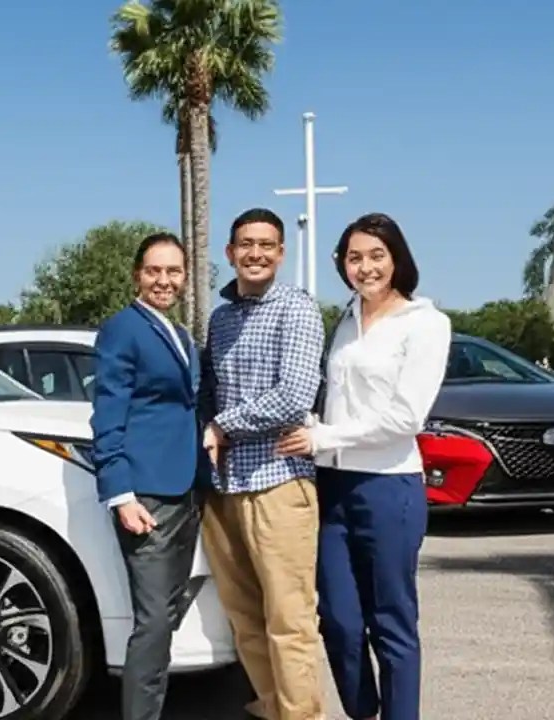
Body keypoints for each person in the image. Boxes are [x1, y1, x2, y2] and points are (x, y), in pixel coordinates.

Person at [275, 212, 449, 720]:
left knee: (391, 621)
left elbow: (406, 417)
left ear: (397, 260)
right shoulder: (346, 320)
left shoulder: (425, 323)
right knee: (338, 619)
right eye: (355, 258)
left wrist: (322, 437)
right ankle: (362, 709)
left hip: (389, 488)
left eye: (377, 256)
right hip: (333, 485)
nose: (366, 267)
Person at [197, 208, 326, 720]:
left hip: (279, 483)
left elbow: (294, 396)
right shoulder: (221, 318)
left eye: (266, 245)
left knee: (290, 619)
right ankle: (274, 708)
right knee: (245, 618)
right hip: (225, 487)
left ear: (281, 253)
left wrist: (223, 426)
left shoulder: (296, 308)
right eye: (246, 245)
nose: (256, 254)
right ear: (230, 253)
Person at [89, 232, 212, 720]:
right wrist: (120, 493)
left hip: (185, 489)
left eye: (173, 271)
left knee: (167, 615)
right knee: (154, 620)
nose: (164, 280)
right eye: (154, 271)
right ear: (137, 275)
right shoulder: (123, 329)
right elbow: (108, 413)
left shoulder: (178, 333)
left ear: (185, 277)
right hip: (147, 496)